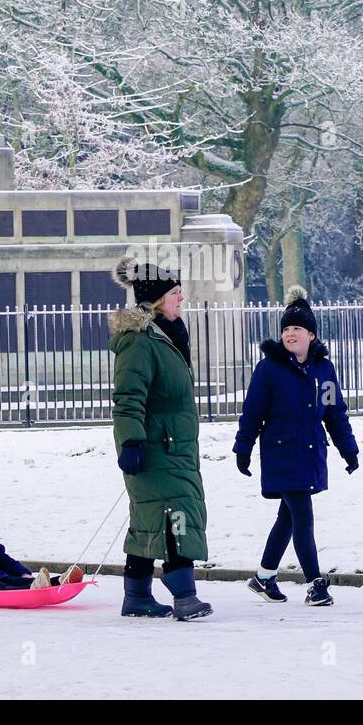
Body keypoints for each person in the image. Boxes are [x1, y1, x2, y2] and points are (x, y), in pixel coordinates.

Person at [232, 286, 359, 606]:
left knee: (288, 518)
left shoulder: (323, 370)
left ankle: (263, 578)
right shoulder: (270, 369)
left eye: (297, 328)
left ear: (311, 335)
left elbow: (334, 412)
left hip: (311, 452)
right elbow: (253, 411)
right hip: (281, 453)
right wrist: (243, 447)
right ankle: (316, 583)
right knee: (303, 516)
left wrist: (348, 448)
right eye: (286, 329)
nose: (290, 334)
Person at [108, 254, 212, 621]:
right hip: (155, 449)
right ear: (156, 299)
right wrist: (132, 442)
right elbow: (128, 397)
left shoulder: (166, 335)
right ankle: (185, 594)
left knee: (148, 518)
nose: (182, 299)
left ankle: (136, 596)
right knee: (175, 514)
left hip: (173, 447)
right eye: (176, 293)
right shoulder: (140, 341)